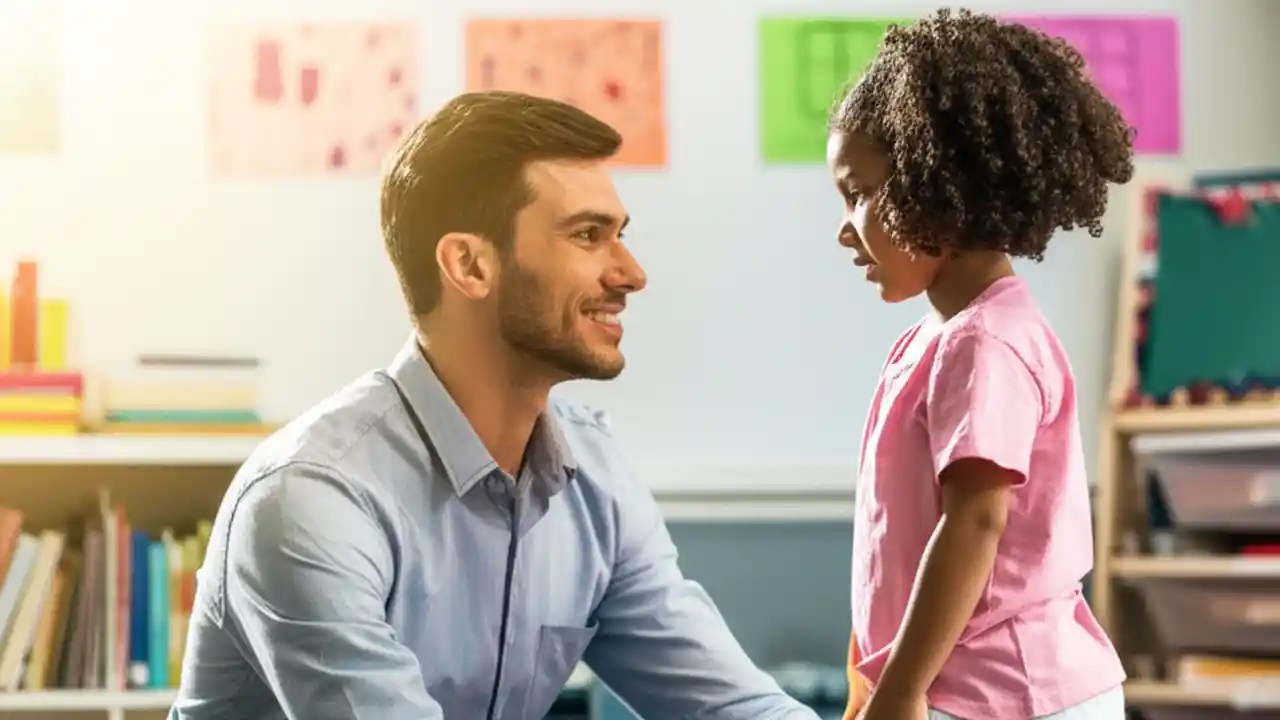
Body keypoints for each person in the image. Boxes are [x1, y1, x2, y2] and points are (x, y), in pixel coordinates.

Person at [170, 91, 818, 720]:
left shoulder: (594, 478)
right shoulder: (312, 499)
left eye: (620, 234)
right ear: (469, 265)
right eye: (589, 236)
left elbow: (731, 705)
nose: (631, 273)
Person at [827, 9, 1134, 720]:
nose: (846, 227)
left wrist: (900, 690)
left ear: (941, 188)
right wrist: (869, 680)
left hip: (1015, 696)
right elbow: (890, 539)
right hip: (967, 693)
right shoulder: (932, 342)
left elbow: (974, 525)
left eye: (859, 194)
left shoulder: (986, 343)